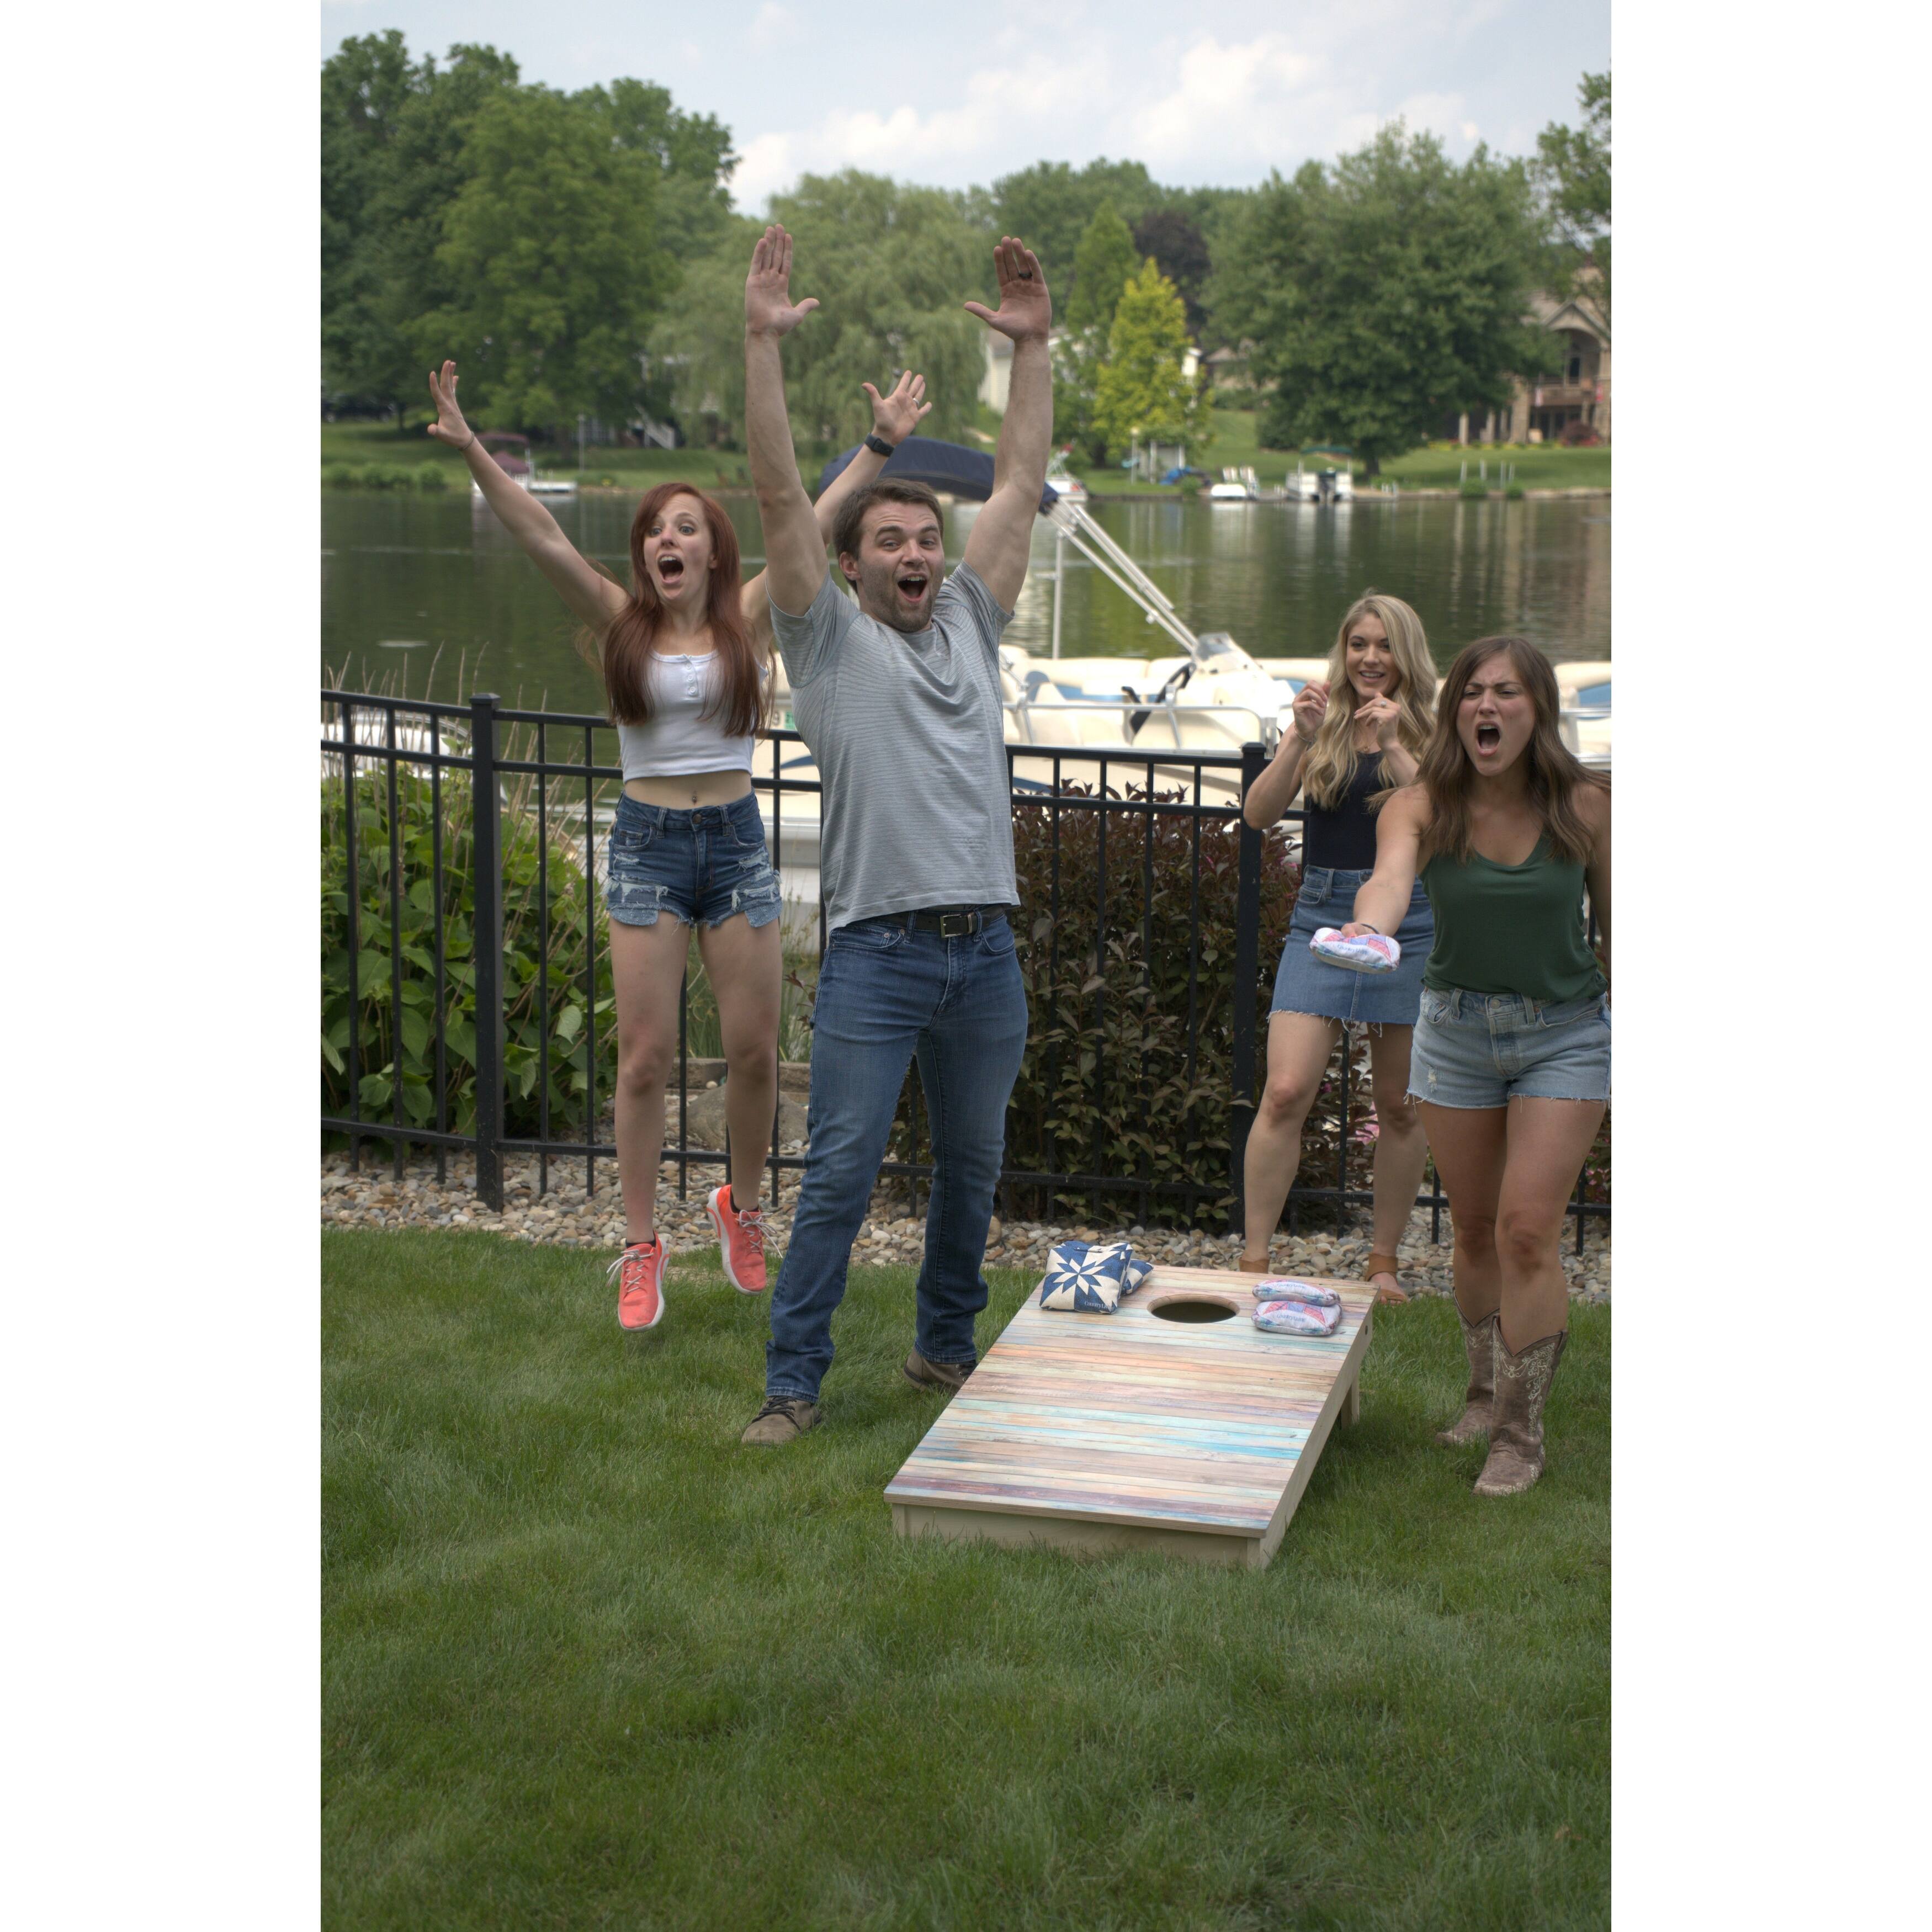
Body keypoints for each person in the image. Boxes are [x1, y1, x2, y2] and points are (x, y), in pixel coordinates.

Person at [424, 357, 934, 1333]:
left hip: (736, 842)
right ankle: (642, 1244)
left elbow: (809, 517)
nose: (668, 537)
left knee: (752, 1054)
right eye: (656, 528)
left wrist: (880, 447)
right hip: (650, 842)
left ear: (713, 553)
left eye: (686, 527)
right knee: (647, 1060)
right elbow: (539, 533)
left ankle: (740, 1211)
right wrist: (474, 447)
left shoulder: (749, 623)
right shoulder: (621, 622)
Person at [735, 225, 1053, 1445]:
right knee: (839, 1179)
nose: (918, 554)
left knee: (972, 1171)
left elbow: (1017, 487)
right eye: (893, 542)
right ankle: (793, 1383)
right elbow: (773, 495)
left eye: (927, 540)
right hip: (876, 952)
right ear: (852, 562)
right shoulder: (825, 642)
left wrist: (1033, 351)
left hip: (986, 953)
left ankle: (942, 1347)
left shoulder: (970, 620)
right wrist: (761, 346)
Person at [1340, 636, 1610, 1496]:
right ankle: (1485, 1394)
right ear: (1454, 709)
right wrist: (1369, 929)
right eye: (1472, 694)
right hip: (1454, 1032)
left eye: (1507, 693)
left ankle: (1521, 1435)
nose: (1486, 707)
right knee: (1474, 1228)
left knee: (1527, 1228)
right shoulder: (1419, 805)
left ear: (1539, 711)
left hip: (1564, 1034)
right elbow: (1387, 882)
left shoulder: (1589, 807)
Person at [1238, 595, 1437, 1304]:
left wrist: (1392, 744)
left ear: (1404, 652)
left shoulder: (1430, 731)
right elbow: (1257, 815)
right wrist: (1298, 736)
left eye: (1383, 645)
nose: (1369, 658)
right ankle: (1253, 1262)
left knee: (1400, 1103)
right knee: (1285, 1090)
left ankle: (1381, 1260)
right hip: (1320, 915)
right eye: (1357, 643)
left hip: (1409, 920)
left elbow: (1448, 821)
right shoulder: (1320, 722)